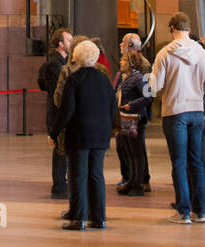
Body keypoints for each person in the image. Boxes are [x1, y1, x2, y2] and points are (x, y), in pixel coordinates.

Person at [150, 11, 205, 224]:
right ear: (188, 29)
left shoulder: (164, 54)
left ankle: (183, 211)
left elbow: (155, 86)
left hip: (174, 111)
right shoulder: (203, 53)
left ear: (171, 29)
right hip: (197, 112)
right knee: (197, 161)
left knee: (178, 163)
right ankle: (201, 211)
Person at [51, 40, 118, 230]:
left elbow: (67, 110)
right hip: (100, 135)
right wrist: (107, 126)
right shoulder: (103, 79)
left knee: (79, 175)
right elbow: (112, 106)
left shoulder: (74, 79)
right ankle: (99, 218)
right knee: (97, 175)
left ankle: (78, 218)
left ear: (76, 57)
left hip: (79, 134)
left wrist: (54, 132)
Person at [39, 26, 73, 197]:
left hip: (62, 113)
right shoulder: (55, 64)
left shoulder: (63, 62)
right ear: (61, 44)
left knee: (63, 149)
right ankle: (59, 185)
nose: (71, 43)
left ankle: (62, 183)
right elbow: (57, 92)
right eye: (69, 40)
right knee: (59, 150)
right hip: (57, 113)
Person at [115, 49, 152, 195]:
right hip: (126, 118)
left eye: (123, 60)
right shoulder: (126, 78)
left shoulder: (139, 78)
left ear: (130, 63)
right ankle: (131, 180)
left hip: (135, 119)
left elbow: (148, 97)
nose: (120, 62)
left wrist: (132, 105)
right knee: (128, 151)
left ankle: (138, 184)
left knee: (136, 152)